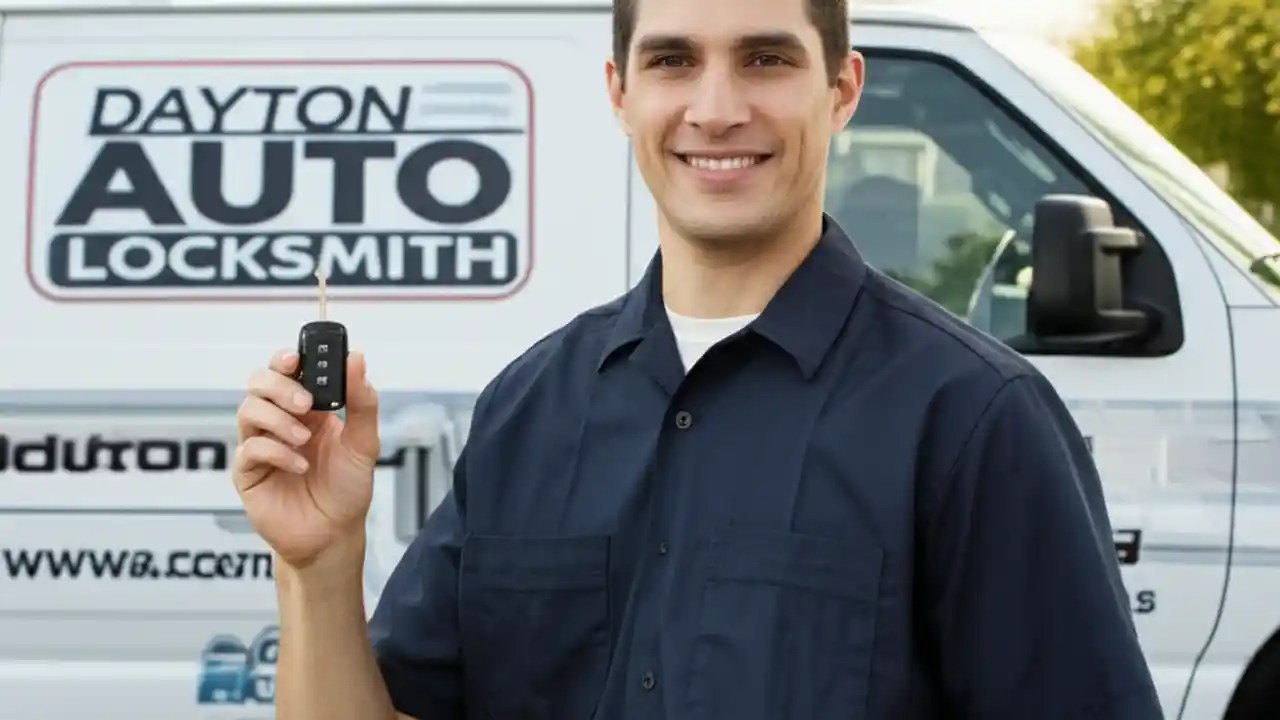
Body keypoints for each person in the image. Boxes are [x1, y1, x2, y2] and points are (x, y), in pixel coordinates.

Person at [231, 0, 1165, 717]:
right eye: (674, 60)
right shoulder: (531, 406)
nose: (716, 111)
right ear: (620, 92)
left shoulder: (973, 417)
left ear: (841, 89)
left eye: (765, 58)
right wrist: (319, 565)